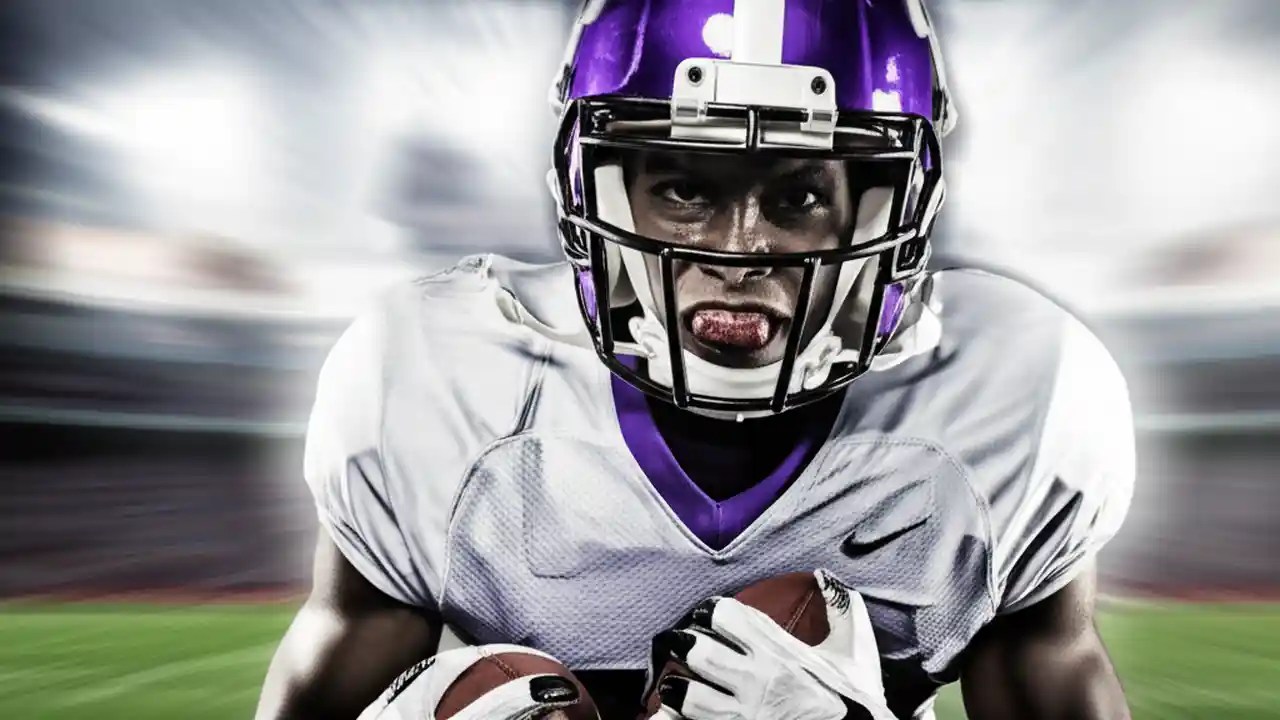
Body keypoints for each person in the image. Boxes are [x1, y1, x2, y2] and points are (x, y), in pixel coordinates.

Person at [256, 1, 1135, 718]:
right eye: (684, 187)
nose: (740, 250)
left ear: (885, 207)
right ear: (597, 189)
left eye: (798, 195)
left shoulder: (1010, 399)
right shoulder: (438, 381)